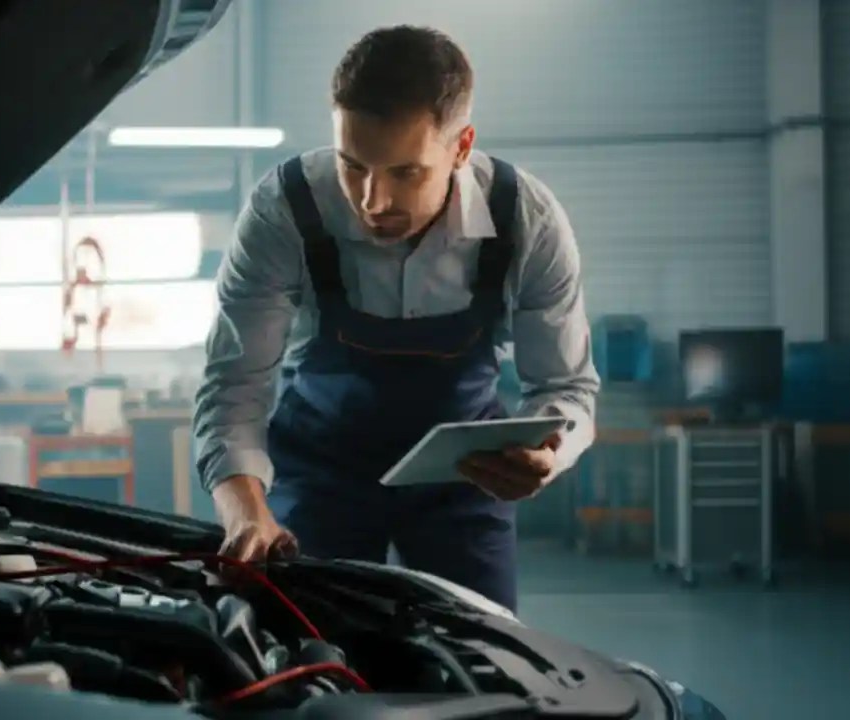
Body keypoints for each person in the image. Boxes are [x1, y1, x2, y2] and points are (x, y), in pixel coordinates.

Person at [192, 25, 599, 611]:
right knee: (309, 656)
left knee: (483, 661)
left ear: (461, 147)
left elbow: (564, 386)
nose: (372, 201)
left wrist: (548, 452)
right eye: (352, 165)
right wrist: (245, 511)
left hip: (466, 481)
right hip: (319, 473)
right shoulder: (284, 211)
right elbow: (234, 385)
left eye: (406, 173)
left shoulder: (525, 219)